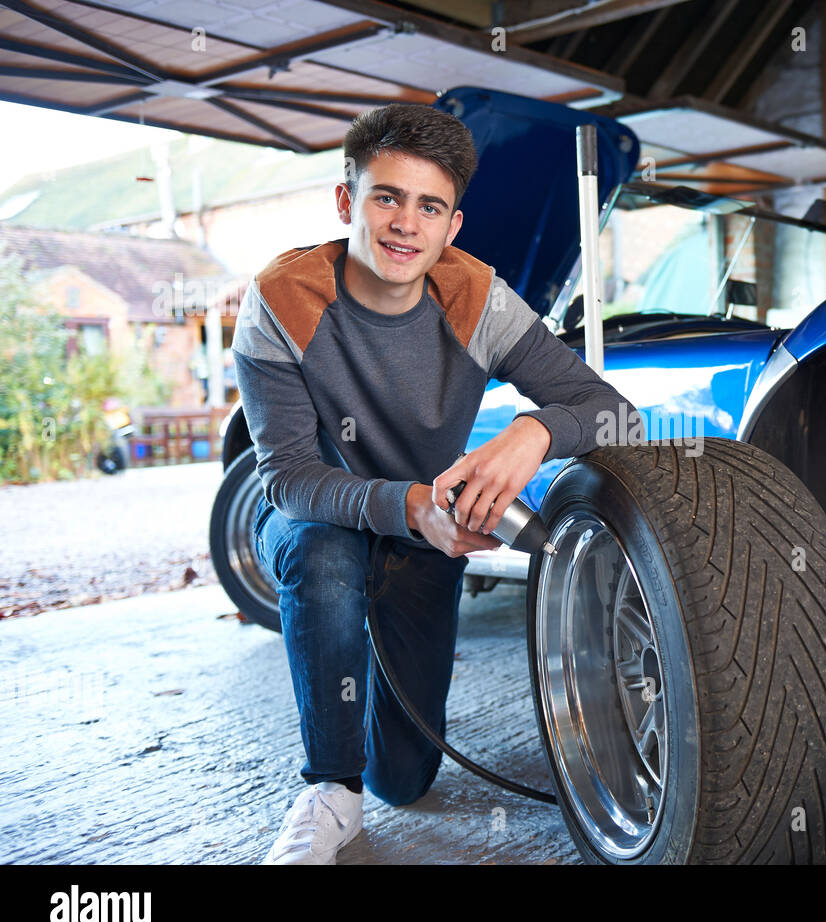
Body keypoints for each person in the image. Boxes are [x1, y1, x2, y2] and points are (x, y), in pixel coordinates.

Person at [232, 103, 636, 864]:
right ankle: (327, 788)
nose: (404, 224)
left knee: (407, 777)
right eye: (386, 197)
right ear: (348, 201)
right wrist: (410, 505)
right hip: (324, 519)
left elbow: (615, 413)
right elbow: (286, 477)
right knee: (321, 552)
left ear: (453, 226)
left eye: (429, 206)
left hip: (425, 542)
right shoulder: (280, 300)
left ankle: (371, 765)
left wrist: (535, 430)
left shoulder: (479, 298)